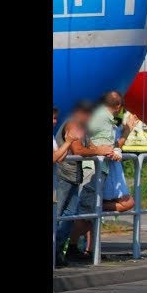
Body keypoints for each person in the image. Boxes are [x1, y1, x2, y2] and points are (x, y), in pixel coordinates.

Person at [54, 101, 116, 265]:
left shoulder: (83, 128)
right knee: (59, 215)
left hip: (74, 176)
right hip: (64, 176)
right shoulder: (73, 124)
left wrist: (107, 150)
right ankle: (57, 252)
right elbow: (78, 150)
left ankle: (58, 251)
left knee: (69, 216)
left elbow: (91, 146)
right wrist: (98, 151)